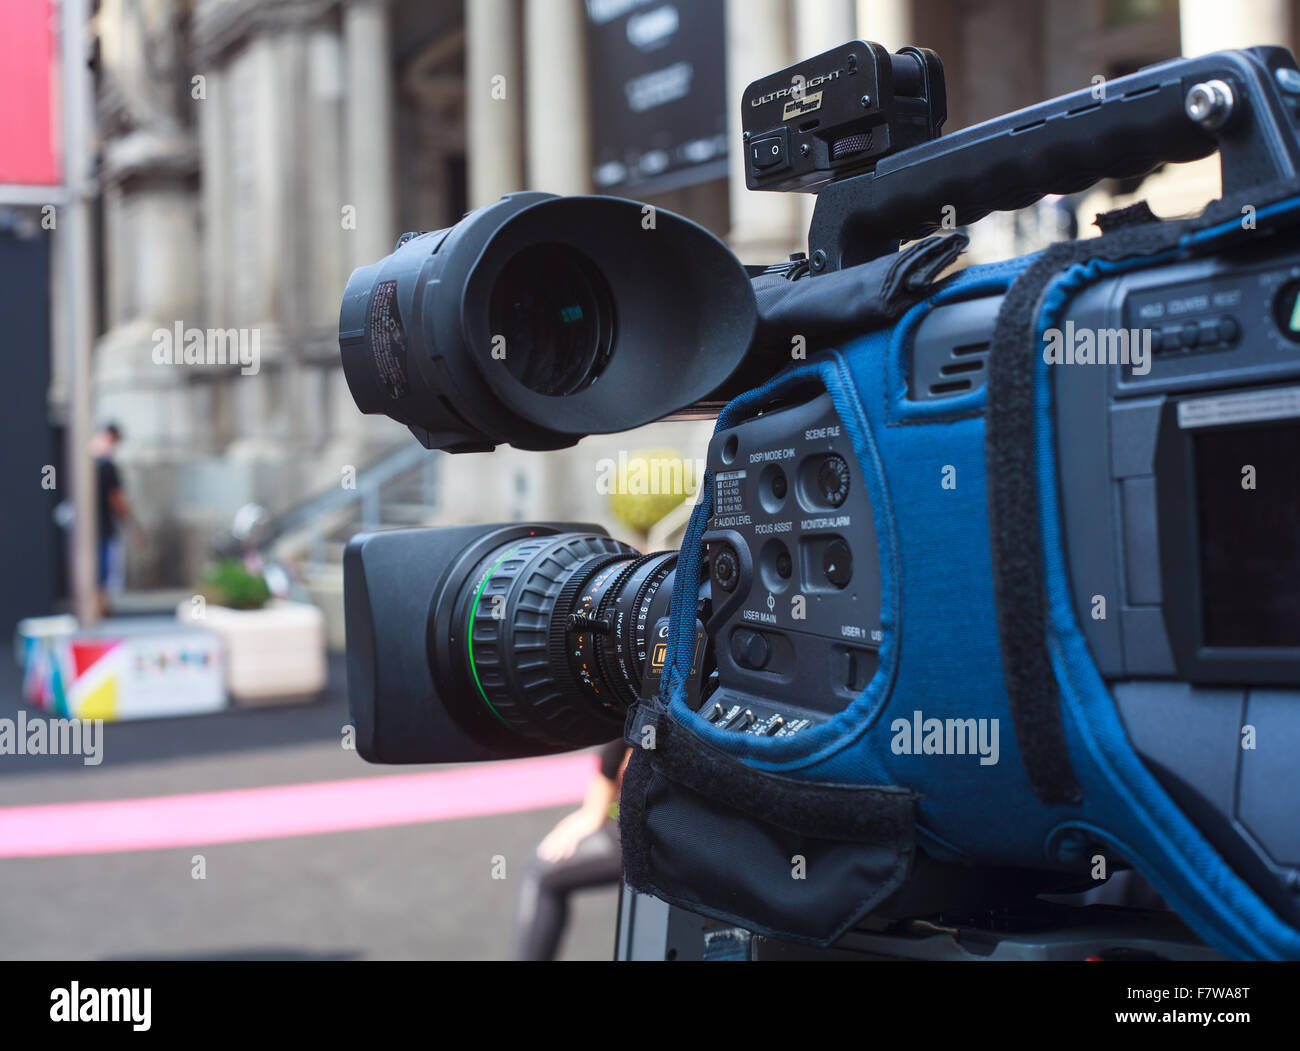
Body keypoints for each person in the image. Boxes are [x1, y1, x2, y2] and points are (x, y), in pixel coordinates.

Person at [514, 740, 628, 960]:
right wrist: (592, 813)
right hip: (651, 827)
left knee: (541, 873)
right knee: (541, 867)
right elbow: (624, 734)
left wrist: (593, 813)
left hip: (660, 833)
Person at [92, 422, 137, 617]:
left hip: (92, 528)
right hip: (102, 528)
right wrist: (133, 525)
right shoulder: (105, 464)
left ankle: (99, 607)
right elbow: (117, 499)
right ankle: (100, 608)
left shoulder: (91, 462)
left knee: (100, 573)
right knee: (104, 573)